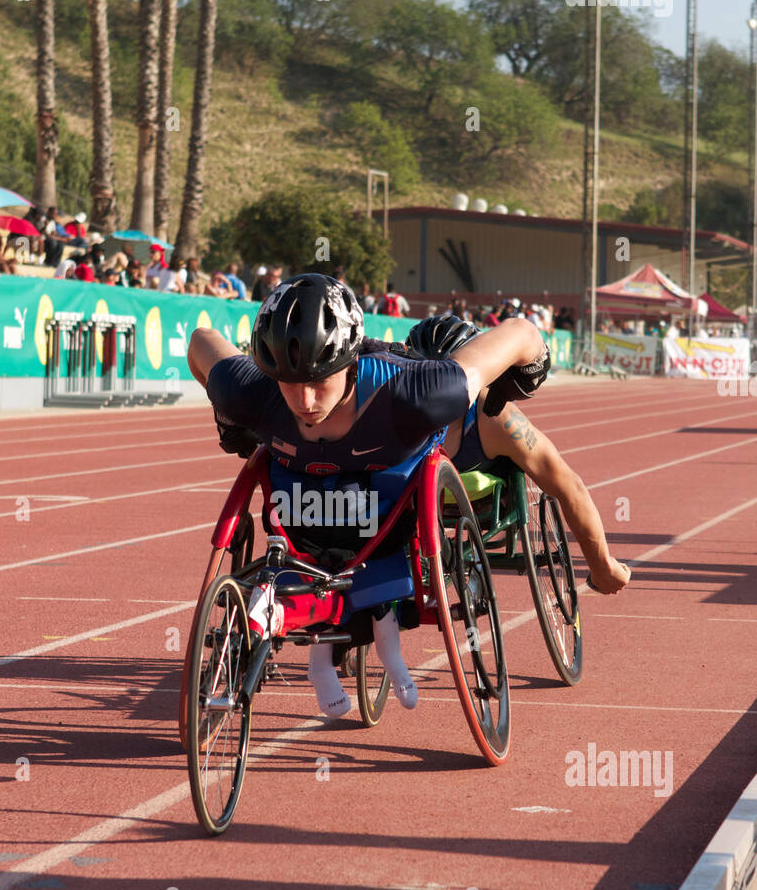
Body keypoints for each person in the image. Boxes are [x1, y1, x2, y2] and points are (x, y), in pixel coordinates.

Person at [188, 274, 549, 717]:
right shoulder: (248, 391)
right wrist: (228, 420)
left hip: (387, 518)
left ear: (350, 363)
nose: (304, 401)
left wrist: (528, 375)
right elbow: (202, 340)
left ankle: (375, 634)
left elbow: (522, 333)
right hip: (306, 524)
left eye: (319, 382)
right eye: (288, 383)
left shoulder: (418, 393)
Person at [406, 313, 630, 597]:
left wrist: (603, 566)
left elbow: (569, 487)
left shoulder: (497, 419)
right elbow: (569, 487)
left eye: (444, 379)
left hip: (459, 497)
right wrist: (603, 568)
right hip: (427, 498)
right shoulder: (495, 419)